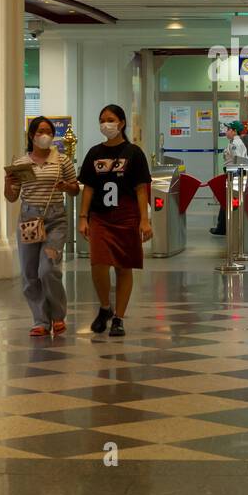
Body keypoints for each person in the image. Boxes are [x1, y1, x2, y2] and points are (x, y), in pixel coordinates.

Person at [78, 104, 152, 337]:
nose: (105, 124)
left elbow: (141, 189)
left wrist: (144, 220)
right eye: (102, 120)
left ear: (121, 123)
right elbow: (88, 188)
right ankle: (104, 307)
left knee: (123, 266)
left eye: (110, 119)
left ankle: (119, 317)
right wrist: (83, 217)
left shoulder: (134, 153)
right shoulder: (94, 153)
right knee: (98, 263)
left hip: (126, 215)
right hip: (100, 217)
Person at [5, 116, 78, 337]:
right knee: (29, 273)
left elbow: (75, 189)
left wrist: (66, 186)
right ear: (31, 135)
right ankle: (40, 320)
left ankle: (57, 315)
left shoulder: (62, 160)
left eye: (48, 131)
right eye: (39, 131)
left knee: (48, 268)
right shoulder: (20, 163)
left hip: (55, 219)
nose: (44, 135)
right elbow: (11, 197)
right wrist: (8, 184)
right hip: (29, 220)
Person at [211, 120, 248, 234]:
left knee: (228, 201)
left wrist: (234, 177)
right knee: (226, 200)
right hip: (234, 173)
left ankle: (222, 227)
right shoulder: (235, 142)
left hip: (233, 174)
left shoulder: (235, 144)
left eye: (228, 130)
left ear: (234, 131)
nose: (226, 132)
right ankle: (222, 226)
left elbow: (238, 161)